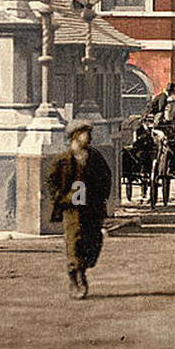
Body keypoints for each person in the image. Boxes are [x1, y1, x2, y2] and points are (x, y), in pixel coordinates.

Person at [47, 120, 113, 300]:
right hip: (72, 209)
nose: (89, 137)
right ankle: (76, 276)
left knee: (93, 241)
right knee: (74, 240)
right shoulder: (63, 160)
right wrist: (62, 198)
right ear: (75, 136)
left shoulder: (95, 158)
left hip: (92, 207)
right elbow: (52, 181)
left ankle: (82, 269)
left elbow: (106, 177)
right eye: (85, 133)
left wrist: (101, 199)